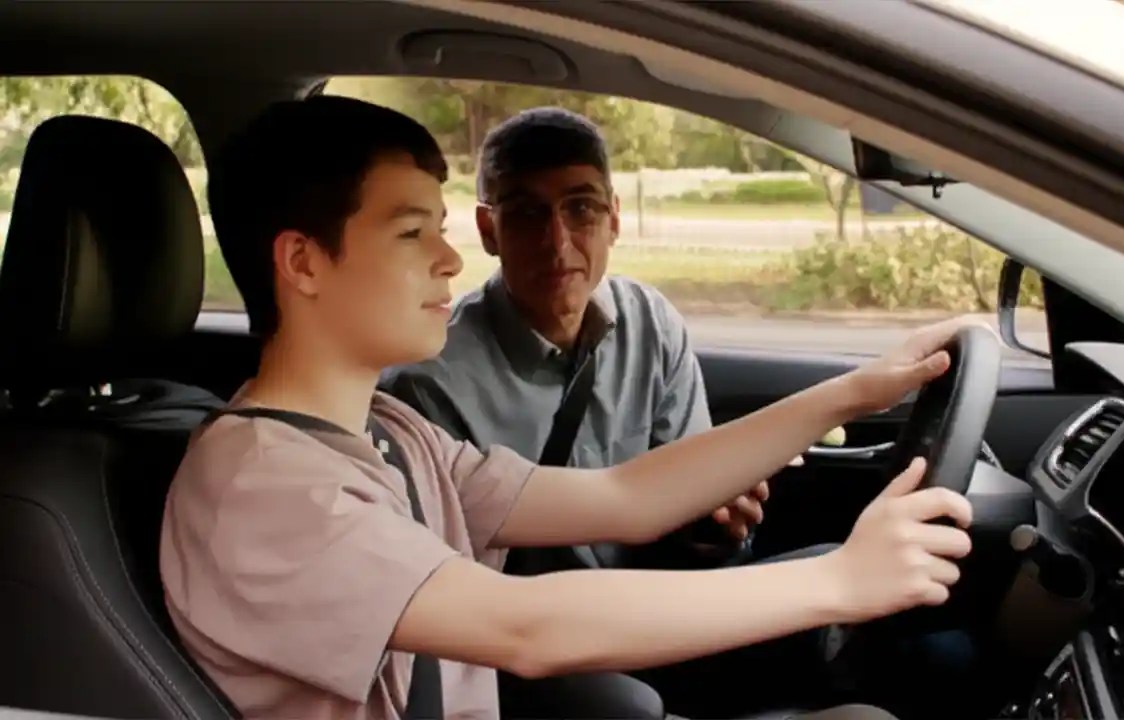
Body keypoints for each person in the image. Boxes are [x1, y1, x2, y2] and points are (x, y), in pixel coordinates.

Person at [159, 95, 979, 720]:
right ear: (303, 262)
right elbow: (526, 627)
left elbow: (624, 496)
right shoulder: (265, 490)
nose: (451, 260)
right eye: (412, 235)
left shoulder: (388, 432)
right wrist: (840, 580)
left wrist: (859, 389)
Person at [384, 107, 762, 571]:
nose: (557, 243)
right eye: (526, 214)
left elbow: (687, 505)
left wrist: (712, 525)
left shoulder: (651, 325)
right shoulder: (431, 382)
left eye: (581, 209)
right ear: (488, 231)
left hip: (659, 611)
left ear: (614, 220)